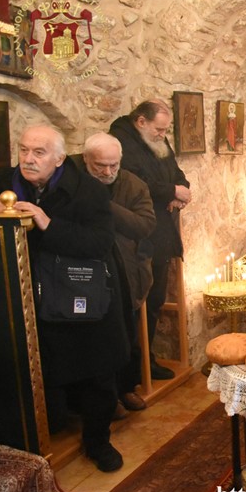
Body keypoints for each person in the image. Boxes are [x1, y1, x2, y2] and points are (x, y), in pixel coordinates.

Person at [0, 125, 129, 472]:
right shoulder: (3, 185)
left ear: (58, 159)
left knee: (95, 371)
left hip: (79, 293)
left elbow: (99, 243)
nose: (28, 159)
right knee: (38, 368)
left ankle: (98, 441)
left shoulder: (88, 191)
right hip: (25, 298)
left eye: (38, 153)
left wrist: (46, 223)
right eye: (24, 150)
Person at [110, 100, 191, 380]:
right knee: (142, 302)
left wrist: (180, 191)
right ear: (141, 122)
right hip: (141, 238)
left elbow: (177, 174)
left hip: (163, 233)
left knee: (156, 300)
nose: (162, 135)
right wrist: (172, 192)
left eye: (165, 130)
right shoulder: (122, 142)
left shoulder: (157, 140)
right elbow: (138, 183)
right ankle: (135, 370)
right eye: (159, 129)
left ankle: (148, 358)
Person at [81, 132, 156, 414]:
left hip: (126, 270)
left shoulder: (133, 185)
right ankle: (102, 399)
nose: (108, 172)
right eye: (100, 165)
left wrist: (104, 203)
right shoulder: (74, 180)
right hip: (87, 272)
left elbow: (145, 225)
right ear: (86, 159)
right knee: (96, 340)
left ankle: (125, 388)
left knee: (127, 333)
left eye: (114, 165)